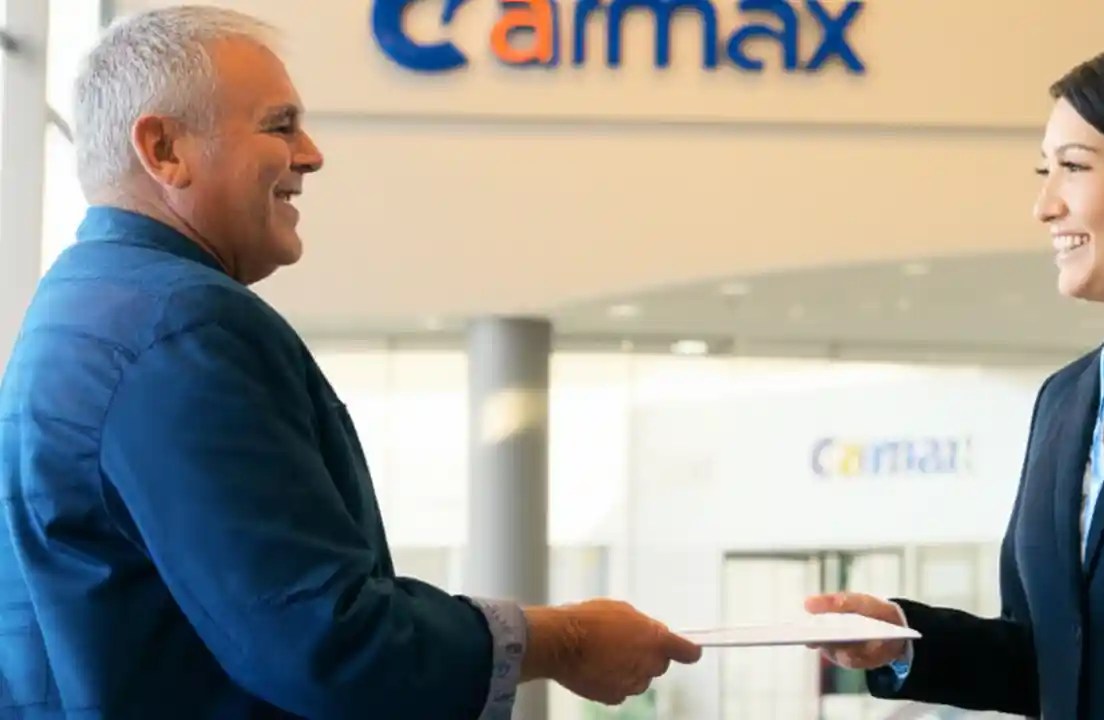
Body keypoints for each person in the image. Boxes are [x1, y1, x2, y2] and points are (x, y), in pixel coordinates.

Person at [0, 6, 700, 718]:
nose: (311, 153)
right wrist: (565, 640)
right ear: (164, 147)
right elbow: (323, 640)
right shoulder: (182, 326)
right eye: (280, 125)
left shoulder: (76, 308)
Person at [806, 35, 1104, 720]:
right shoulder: (1067, 400)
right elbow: (1052, 656)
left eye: (1075, 168)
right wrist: (904, 640)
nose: (1046, 205)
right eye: (1044, 172)